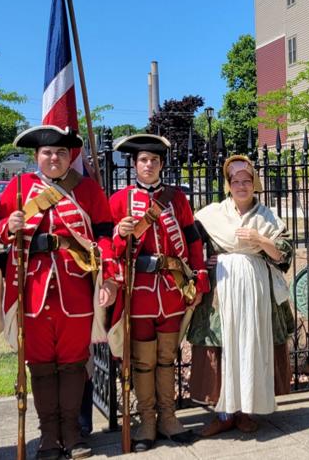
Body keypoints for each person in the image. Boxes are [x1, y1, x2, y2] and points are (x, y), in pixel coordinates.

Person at [0, 125, 119, 460]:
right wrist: (9, 227)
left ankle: (73, 434)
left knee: (72, 365)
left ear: (70, 157)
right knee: (41, 367)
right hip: (33, 289)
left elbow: (105, 236)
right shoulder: (18, 188)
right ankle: (48, 436)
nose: (54, 158)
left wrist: (108, 275)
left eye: (62, 153)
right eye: (48, 153)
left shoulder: (88, 190)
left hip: (76, 288)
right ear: (37, 156)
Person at [107, 134, 209, 452]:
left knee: (167, 359)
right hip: (139, 293)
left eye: (154, 160)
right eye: (143, 160)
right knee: (143, 362)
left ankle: (168, 418)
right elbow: (111, 252)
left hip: (172, 289)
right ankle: (146, 422)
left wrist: (200, 275)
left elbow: (192, 240)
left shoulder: (176, 198)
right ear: (134, 165)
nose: (148, 165)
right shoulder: (119, 201)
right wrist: (121, 235)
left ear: (161, 164)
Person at [187, 155, 294, 437]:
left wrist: (260, 240)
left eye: (246, 180)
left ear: (255, 183)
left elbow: (285, 256)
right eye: (236, 181)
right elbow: (191, 244)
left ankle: (246, 411)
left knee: (251, 345)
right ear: (228, 184)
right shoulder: (210, 215)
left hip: (257, 294)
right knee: (224, 346)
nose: (242, 186)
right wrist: (204, 260)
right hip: (221, 293)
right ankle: (223, 413)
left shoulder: (267, 217)